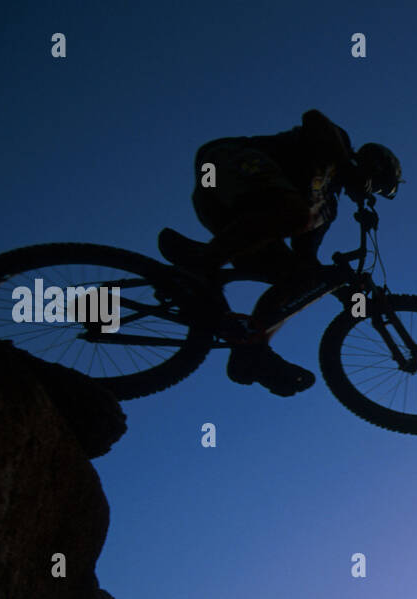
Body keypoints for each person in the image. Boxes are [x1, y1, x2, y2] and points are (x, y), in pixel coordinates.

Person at [161, 110, 402, 396]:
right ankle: (202, 263)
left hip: (232, 212)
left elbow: (306, 261)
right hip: (226, 163)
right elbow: (313, 118)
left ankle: (252, 348)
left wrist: (337, 288)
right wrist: (345, 162)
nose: (366, 192)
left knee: (299, 278)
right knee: (294, 213)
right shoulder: (336, 146)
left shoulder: (327, 209)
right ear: (371, 167)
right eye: (374, 185)